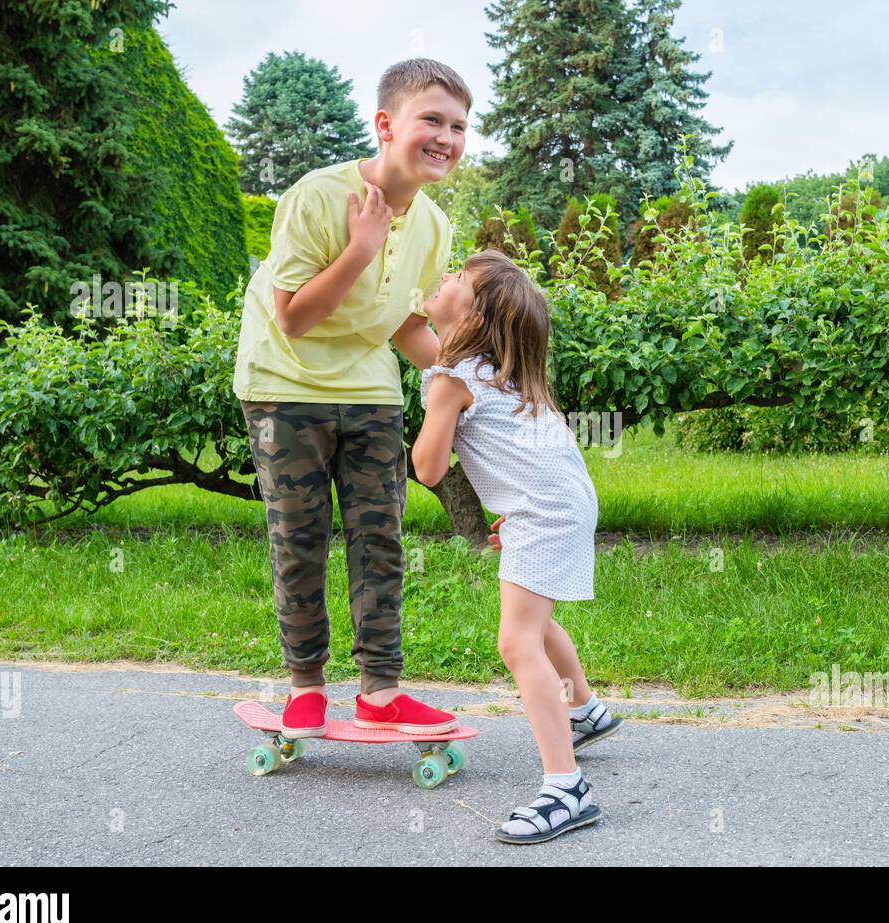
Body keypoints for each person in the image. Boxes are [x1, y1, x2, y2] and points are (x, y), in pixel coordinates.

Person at [232, 59, 473, 738]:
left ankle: (380, 692)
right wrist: (361, 247)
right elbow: (294, 318)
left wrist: (468, 386)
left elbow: (405, 324)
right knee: (301, 540)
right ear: (386, 124)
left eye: (458, 126)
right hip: (285, 385)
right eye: (432, 120)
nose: (447, 137)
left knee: (381, 539)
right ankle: (305, 687)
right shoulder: (318, 196)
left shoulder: (434, 225)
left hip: (368, 388)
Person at [412, 249, 623, 844]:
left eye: (456, 278)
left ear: (475, 319)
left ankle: (567, 788)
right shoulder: (495, 372)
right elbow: (416, 337)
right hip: (562, 505)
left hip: (541, 512)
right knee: (534, 612)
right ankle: (582, 709)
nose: (444, 277)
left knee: (516, 640)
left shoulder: (456, 382)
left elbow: (427, 468)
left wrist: (434, 410)